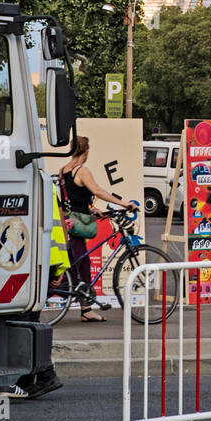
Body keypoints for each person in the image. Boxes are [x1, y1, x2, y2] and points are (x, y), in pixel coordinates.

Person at [60, 135, 137, 322]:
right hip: (77, 224)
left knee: (77, 261)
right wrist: (123, 203)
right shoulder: (81, 170)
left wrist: (93, 210)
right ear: (85, 152)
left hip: (68, 221)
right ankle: (86, 309)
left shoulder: (64, 170)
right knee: (82, 263)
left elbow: (71, 197)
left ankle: (85, 306)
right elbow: (98, 191)